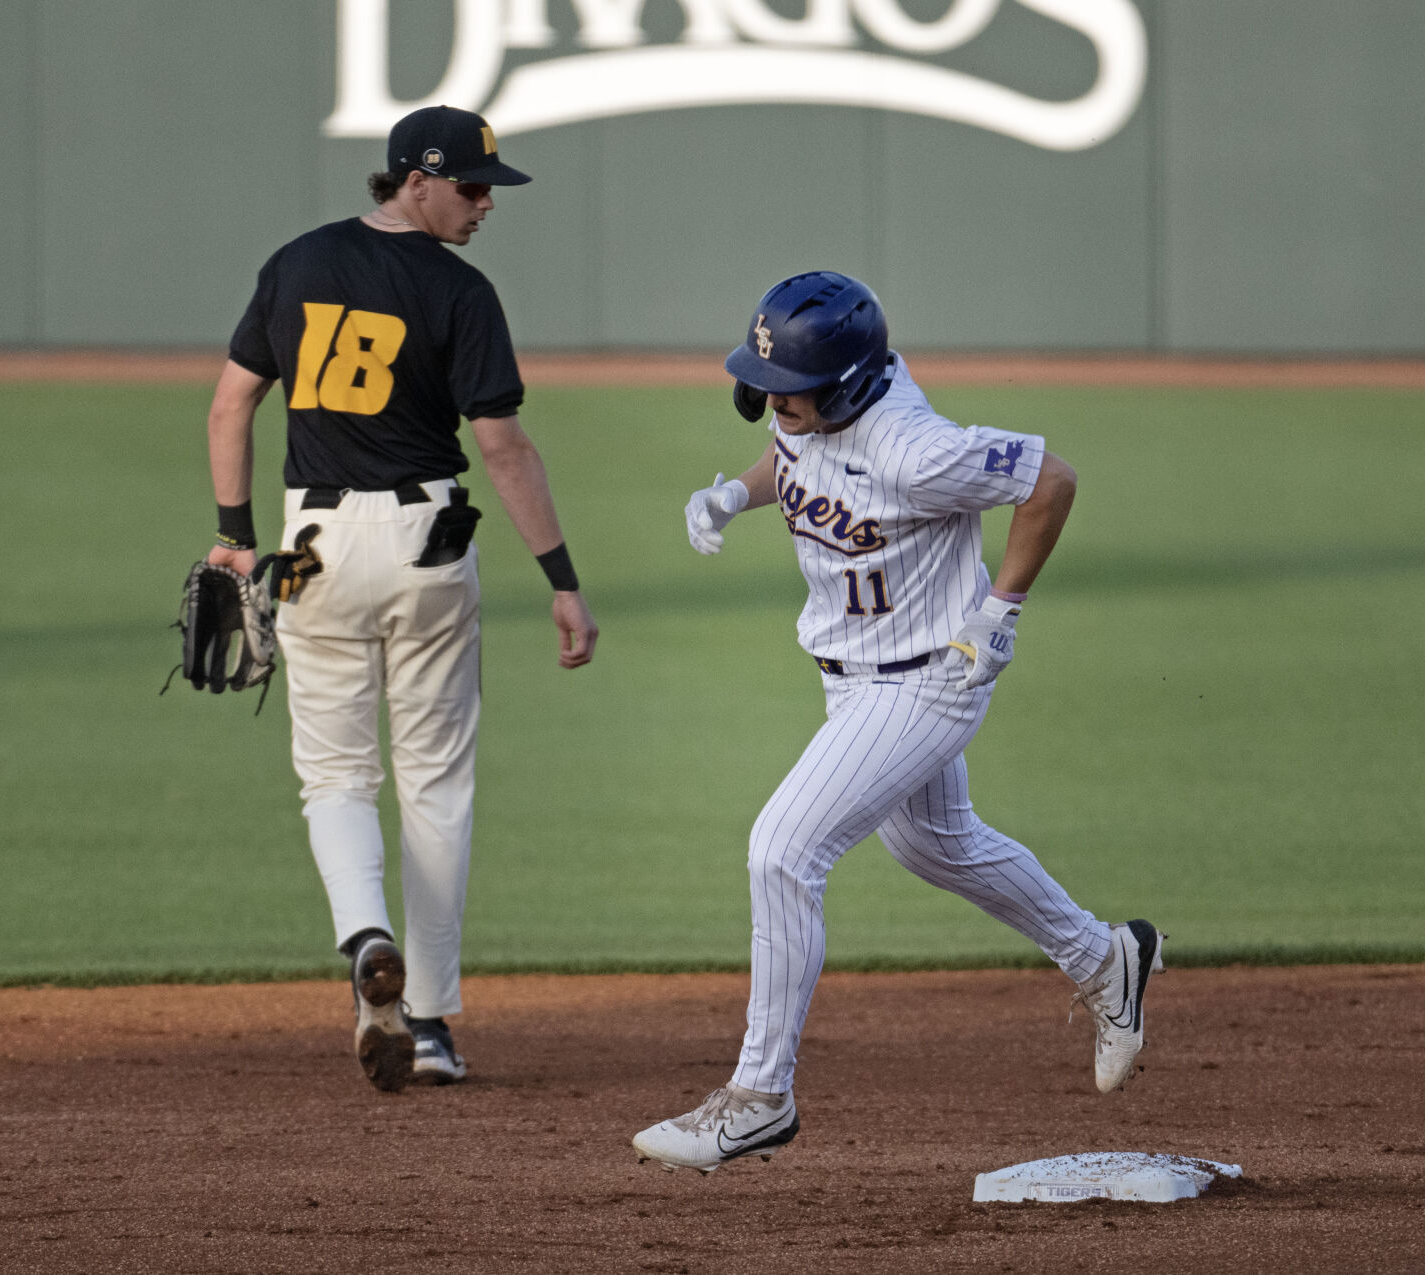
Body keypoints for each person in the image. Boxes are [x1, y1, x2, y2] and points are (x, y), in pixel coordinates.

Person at [632, 271, 1161, 1172]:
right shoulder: (807, 403)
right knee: (933, 845)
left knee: (781, 850)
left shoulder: (915, 448)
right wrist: (735, 495)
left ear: (842, 384)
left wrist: (1002, 606)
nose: (769, 401)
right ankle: (1105, 958)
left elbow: (1050, 480)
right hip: (851, 676)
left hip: (927, 679)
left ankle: (759, 1096)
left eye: (788, 390)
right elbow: (796, 460)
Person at [202, 105, 598, 1093]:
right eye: (468, 187)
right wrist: (561, 581)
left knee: (334, 776)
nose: (481, 205)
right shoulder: (458, 293)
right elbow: (502, 446)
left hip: (308, 546)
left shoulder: (295, 263)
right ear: (413, 179)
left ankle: (362, 936)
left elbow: (230, 403)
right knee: (434, 787)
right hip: (429, 544)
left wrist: (234, 540)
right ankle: (423, 1020)